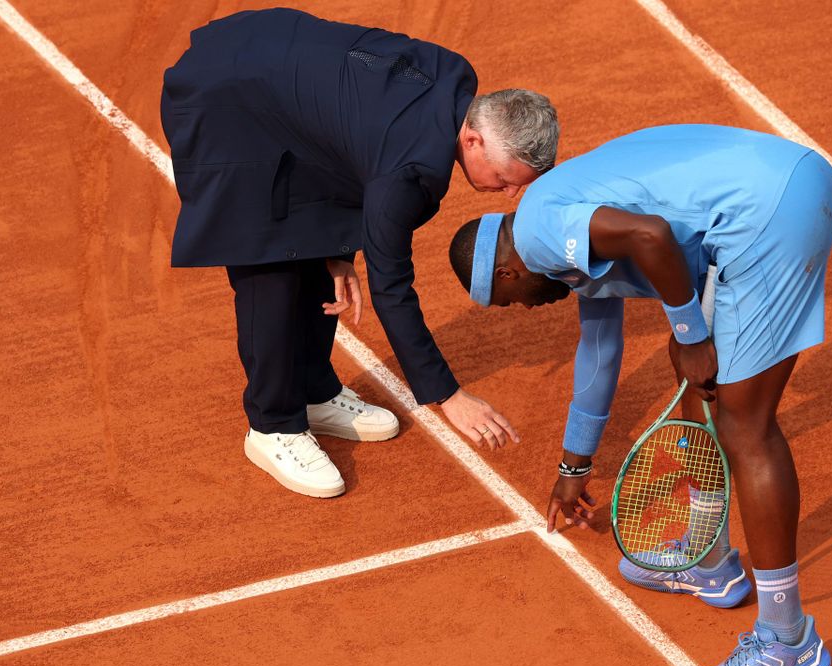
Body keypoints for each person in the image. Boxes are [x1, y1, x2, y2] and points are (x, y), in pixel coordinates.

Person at [448, 125, 832, 666]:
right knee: (696, 397)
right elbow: (600, 353)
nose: (526, 309)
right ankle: (709, 561)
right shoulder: (567, 235)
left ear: (507, 272)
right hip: (777, 190)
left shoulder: (539, 231)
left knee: (744, 428)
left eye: (510, 301)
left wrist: (691, 336)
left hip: (766, 212)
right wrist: (574, 465)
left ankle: (786, 639)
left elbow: (652, 236)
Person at [160, 9, 558, 498]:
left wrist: (341, 247)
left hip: (272, 76)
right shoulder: (409, 172)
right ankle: (273, 424)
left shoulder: (455, 80)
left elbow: (353, 142)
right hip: (225, 102)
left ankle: (310, 390)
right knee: (271, 258)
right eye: (505, 180)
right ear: (473, 138)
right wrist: (449, 397)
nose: (507, 195)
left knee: (320, 246)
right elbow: (392, 289)